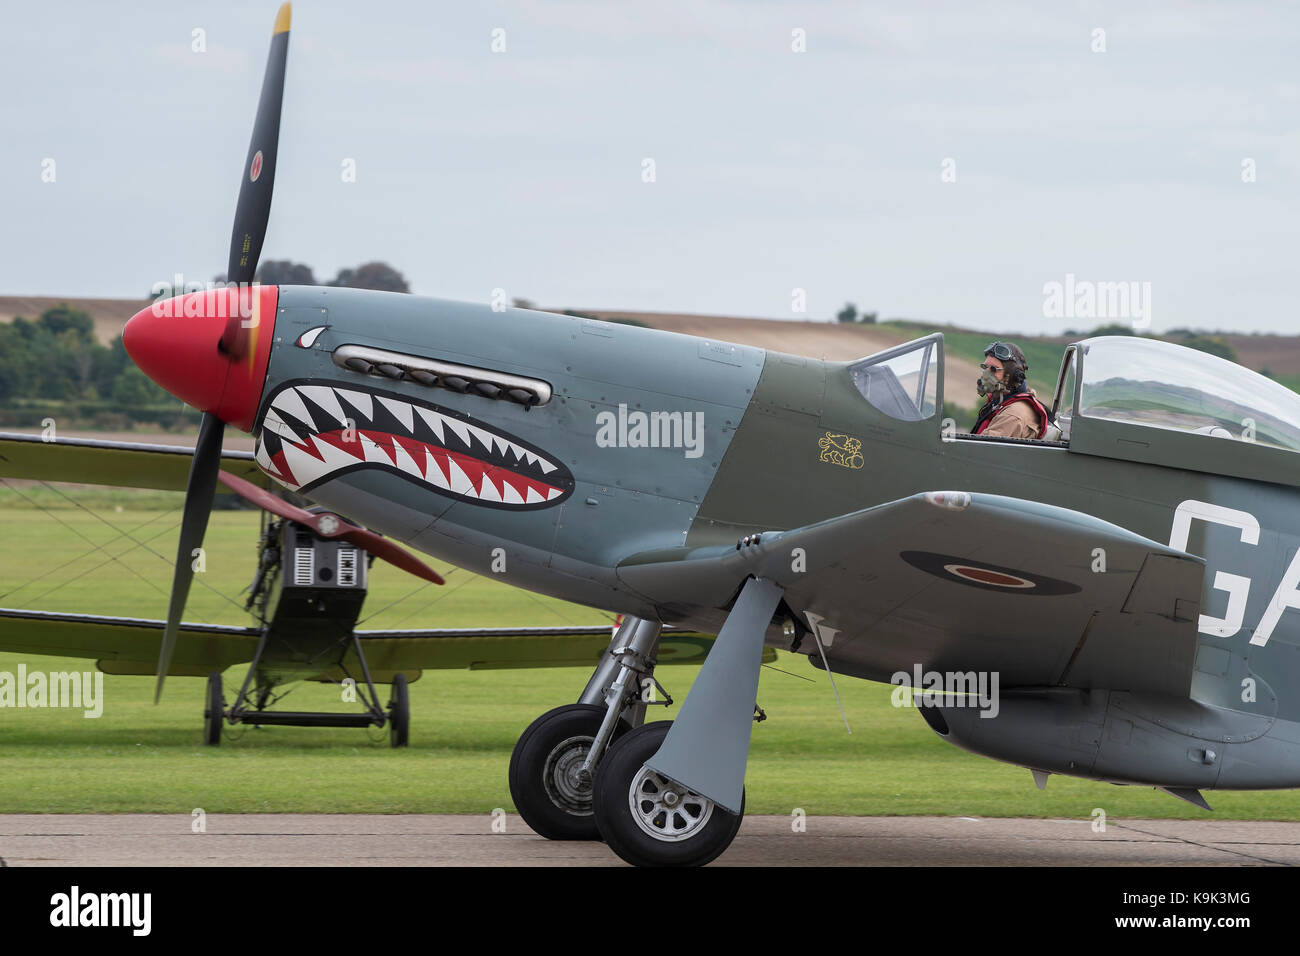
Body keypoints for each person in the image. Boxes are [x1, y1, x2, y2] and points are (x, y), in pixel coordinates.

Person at [971, 342, 1048, 439]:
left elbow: (978, 450)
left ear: (1012, 376)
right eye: (985, 367)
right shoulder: (999, 403)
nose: (986, 373)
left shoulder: (1013, 414)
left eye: (994, 369)